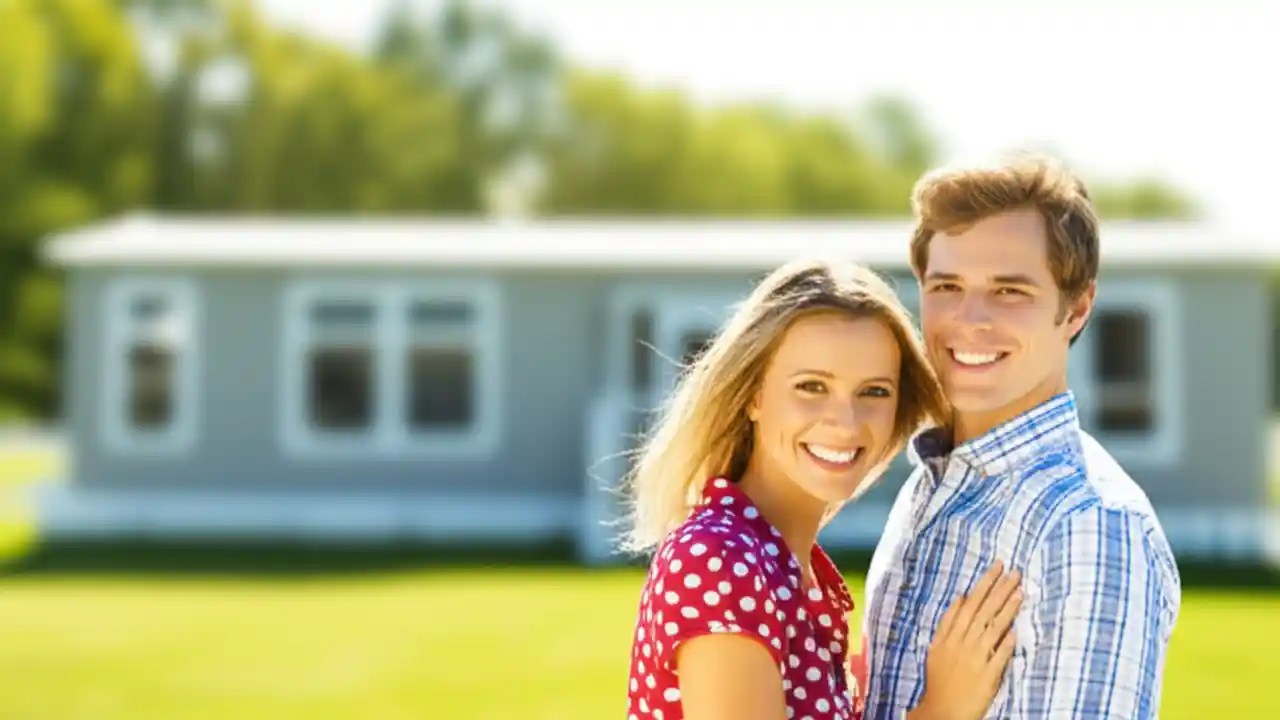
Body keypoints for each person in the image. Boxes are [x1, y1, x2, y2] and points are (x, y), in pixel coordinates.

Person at [623, 259, 1022, 720]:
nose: (846, 423)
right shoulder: (719, 559)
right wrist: (943, 709)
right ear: (753, 395)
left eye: (874, 392)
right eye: (811, 387)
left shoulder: (791, 569)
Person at [863, 154, 1182, 719]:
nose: (970, 319)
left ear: (1077, 308)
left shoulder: (1088, 526)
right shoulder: (925, 491)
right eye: (947, 286)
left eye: (1009, 291)